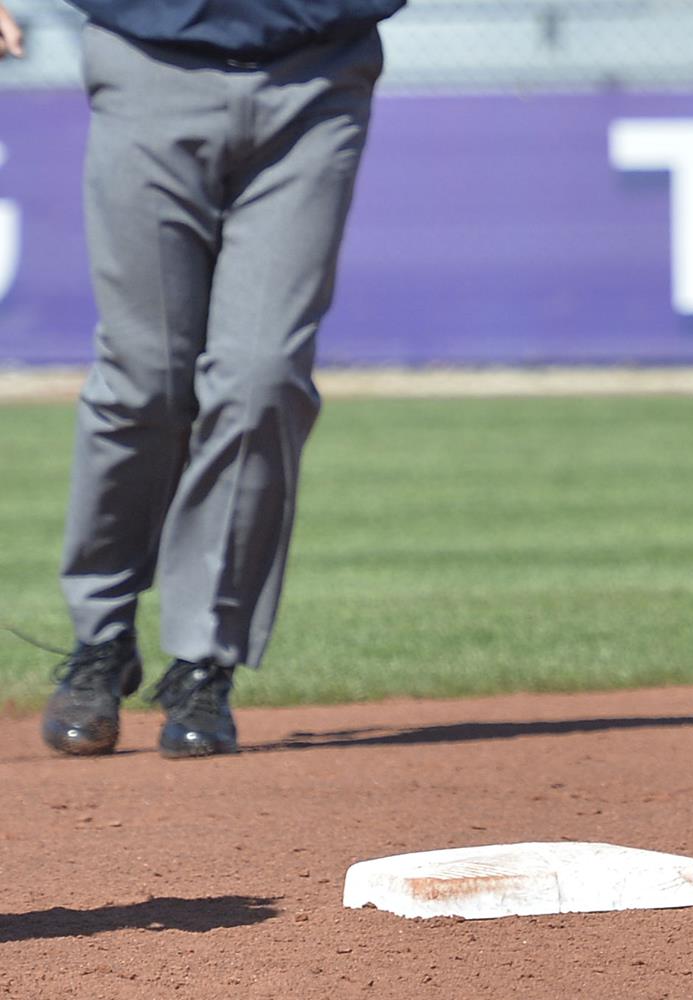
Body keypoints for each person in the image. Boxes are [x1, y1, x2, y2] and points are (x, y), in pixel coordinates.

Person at [0, 0, 403, 757]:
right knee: (145, 378)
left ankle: (204, 661)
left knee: (263, 377)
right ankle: (101, 637)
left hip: (317, 68)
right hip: (151, 55)